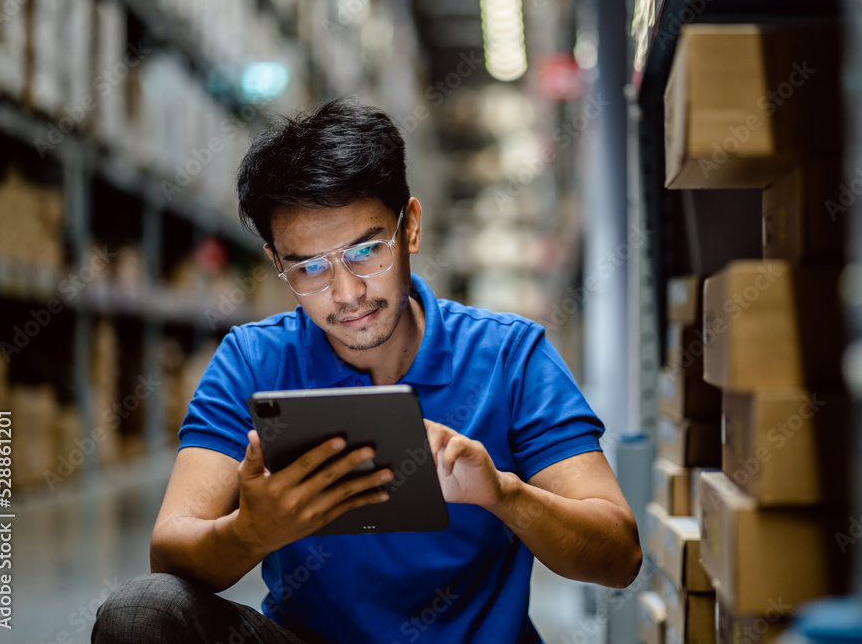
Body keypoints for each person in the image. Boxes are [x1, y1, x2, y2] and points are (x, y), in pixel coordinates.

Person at [93, 98, 642, 644]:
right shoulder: (253, 361)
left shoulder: (510, 357)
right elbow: (169, 550)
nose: (347, 293)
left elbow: (619, 557)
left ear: (411, 230)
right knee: (141, 612)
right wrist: (249, 532)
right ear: (277, 264)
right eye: (309, 267)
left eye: (366, 251)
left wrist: (503, 493)